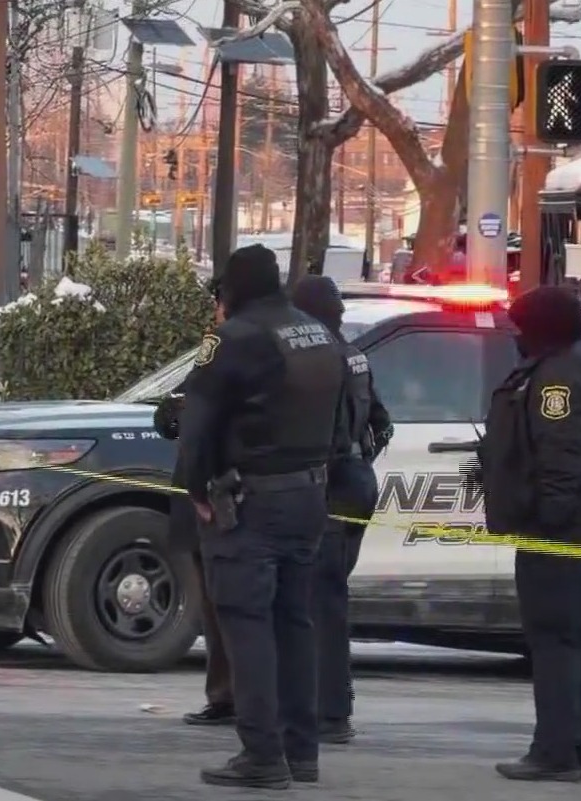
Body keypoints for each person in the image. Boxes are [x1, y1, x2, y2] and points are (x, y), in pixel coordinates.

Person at [177, 244, 348, 789]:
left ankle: (261, 755)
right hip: (309, 497)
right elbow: (343, 424)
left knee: (246, 624)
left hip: (250, 502)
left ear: (233, 288)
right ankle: (303, 752)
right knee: (295, 622)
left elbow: (197, 424)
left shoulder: (231, 340)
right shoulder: (317, 334)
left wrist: (195, 490)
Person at [473, 285, 581, 782]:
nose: (514, 336)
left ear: (539, 330)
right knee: (574, 639)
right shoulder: (567, 372)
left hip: (567, 533)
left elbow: (559, 458)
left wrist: (549, 522)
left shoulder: (555, 383)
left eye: (519, 328)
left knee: (553, 640)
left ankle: (556, 752)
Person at [290, 275, 392, 745]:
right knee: (328, 596)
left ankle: (331, 712)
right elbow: (382, 423)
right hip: (357, 480)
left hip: (328, 482)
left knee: (321, 602)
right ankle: (327, 705)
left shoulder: (317, 358)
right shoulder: (355, 356)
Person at [154, 279, 236, 728]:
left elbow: (195, 409)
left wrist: (196, 490)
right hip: (225, 493)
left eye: (217, 303)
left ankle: (230, 697)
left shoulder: (224, 346)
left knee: (222, 603)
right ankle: (230, 695)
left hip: (217, 495)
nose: (215, 312)